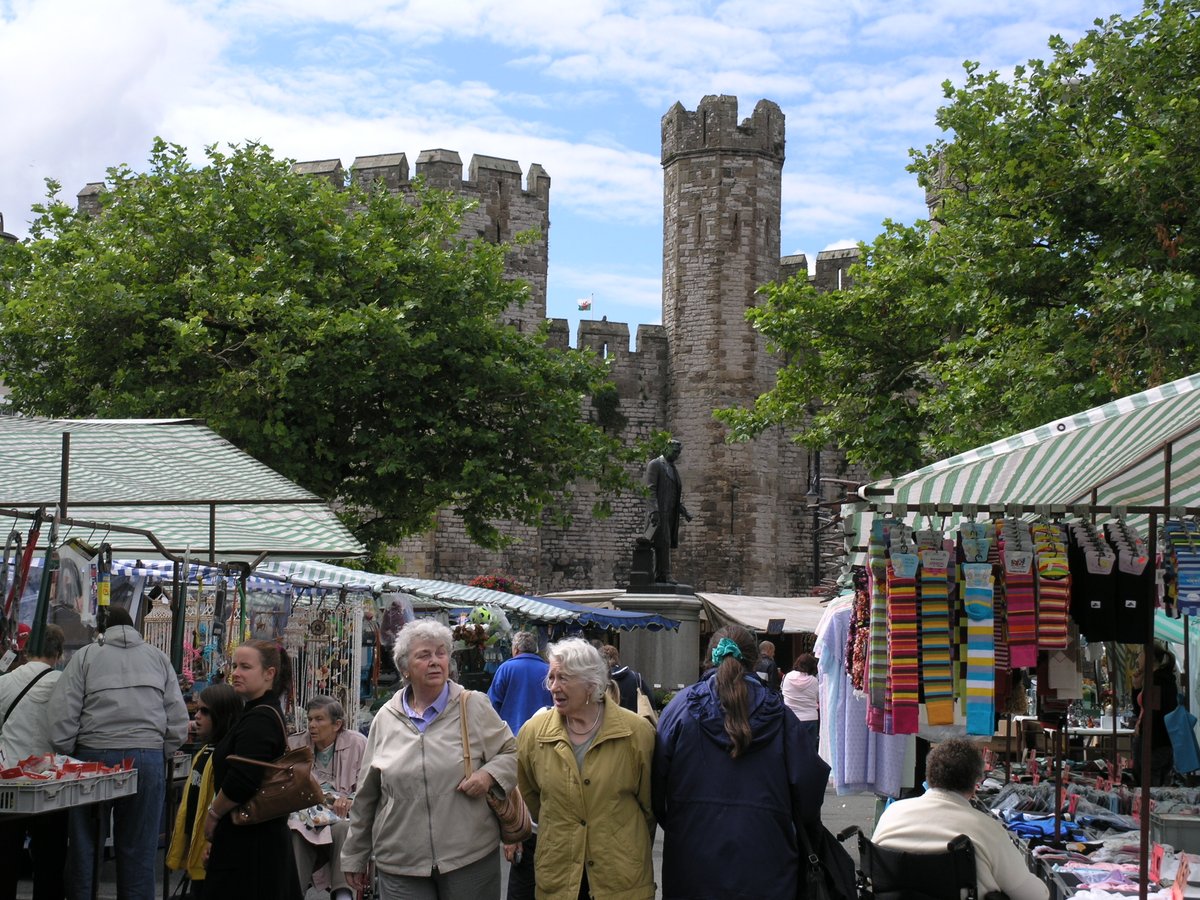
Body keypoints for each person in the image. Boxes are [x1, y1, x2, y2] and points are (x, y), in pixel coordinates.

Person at [342, 619, 518, 900]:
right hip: (401, 860)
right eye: (424, 655)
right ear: (405, 668)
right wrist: (355, 854)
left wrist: (488, 776)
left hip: (468, 856)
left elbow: (511, 752)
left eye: (441, 653)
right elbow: (367, 793)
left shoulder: (472, 705)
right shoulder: (386, 718)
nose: (435, 661)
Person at [652, 625, 828, 900]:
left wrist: (683, 821)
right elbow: (809, 791)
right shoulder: (780, 716)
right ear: (754, 661)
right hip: (767, 858)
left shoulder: (679, 710)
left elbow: (657, 790)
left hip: (693, 858)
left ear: (708, 658)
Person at [48, 606, 189, 900]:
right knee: (139, 848)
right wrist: (161, 751)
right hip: (146, 757)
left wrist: (69, 750)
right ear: (134, 627)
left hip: (92, 758)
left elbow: (63, 713)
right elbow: (177, 718)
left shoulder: (85, 657)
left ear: (102, 629)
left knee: (85, 846)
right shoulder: (158, 658)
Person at [517, 637, 656, 900]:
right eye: (551, 677)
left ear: (591, 683)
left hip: (620, 877)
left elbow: (650, 807)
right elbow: (532, 799)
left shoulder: (636, 733)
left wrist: (622, 842)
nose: (554, 687)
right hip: (559, 873)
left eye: (564, 678)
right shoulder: (533, 734)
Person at [872, 738, 1049, 900]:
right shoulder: (988, 830)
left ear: (929, 775)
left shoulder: (891, 814)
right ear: (975, 784)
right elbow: (1034, 895)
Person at [202, 640, 303, 900]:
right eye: (235, 665)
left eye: (245, 667)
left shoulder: (261, 718)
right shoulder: (255, 712)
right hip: (250, 840)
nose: (236, 673)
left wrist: (213, 815)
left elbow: (243, 780)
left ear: (269, 674)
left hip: (252, 845)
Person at [0, 624, 66, 900]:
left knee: (4, 860)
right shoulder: (64, 684)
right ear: (58, 653)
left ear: (27, 651)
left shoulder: (4, 682)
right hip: (50, 784)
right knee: (49, 861)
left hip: (8, 782)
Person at [487, 631, 551, 900]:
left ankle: (517, 833)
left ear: (515, 649)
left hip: (511, 740)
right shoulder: (547, 669)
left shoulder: (506, 668)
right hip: (545, 741)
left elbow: (491, 706)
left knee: (516, 793)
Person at [166, 683, 243, 899]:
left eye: (205, 711)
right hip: (196, 850)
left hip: (211, 852)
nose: (197, 716)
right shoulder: (203, 752)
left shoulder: (224, 756)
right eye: (197, 710)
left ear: (223, 715)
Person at [288, 695, 367, 900]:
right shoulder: (296, 743)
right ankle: (293, 892)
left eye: (319, 719)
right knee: (296, 829)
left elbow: (369, 784)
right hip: (306, 813)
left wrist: (351, 799)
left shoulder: (358, 743)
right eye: (310, 719)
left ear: (337, 724)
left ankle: (343, 894)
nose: (312, 725)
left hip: (342, 815)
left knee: (344, 828)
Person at [645, 439, 692, 584]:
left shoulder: (673, 468)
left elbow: (674, 493)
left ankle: (660, 574)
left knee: (665, 542)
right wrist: (654, 511)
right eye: (675, 451)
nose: (677, 455)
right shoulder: (655, 464)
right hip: (660, 512)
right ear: (666, 448)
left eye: (678, 453)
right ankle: (664, 574)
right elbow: (650, 489)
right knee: (662, 542)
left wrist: (683, 511)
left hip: (670, 513)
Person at [1132, 642, 1179, 786]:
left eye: (1140, 654)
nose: (1137, 658)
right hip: (1154, 740)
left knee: (1149, 787)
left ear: (1149, 657)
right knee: (1148, 784)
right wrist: (1136, 687)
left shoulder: (1158, 680)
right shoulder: (1153, 679)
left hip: (1155, 742)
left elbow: (1155, 713)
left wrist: (1142, 729)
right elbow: (1141, 710)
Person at [781, 652, 820, 751]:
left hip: (791, 718)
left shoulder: (787, 677)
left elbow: (783, 693)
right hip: (810, 718)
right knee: (809, 751)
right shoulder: (814, 681)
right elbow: (818, 698)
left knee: (792, 750)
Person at [599, 644, 653, 713]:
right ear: (616, 658)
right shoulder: (636, 677)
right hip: (634, 718)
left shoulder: (599, 680)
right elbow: (651, 702)